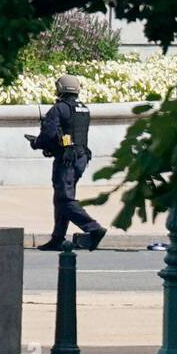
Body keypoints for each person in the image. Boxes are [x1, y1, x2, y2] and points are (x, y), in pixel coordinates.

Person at [30, 74, 107, 251]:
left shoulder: (59, 109)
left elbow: (49, 135)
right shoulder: (84, 109)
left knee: (64, 199)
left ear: (60, 88)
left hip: (66, 160)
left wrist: (36, 143)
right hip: (81, 158)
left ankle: (93, 229)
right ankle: (57, 238)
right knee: (61, 198)